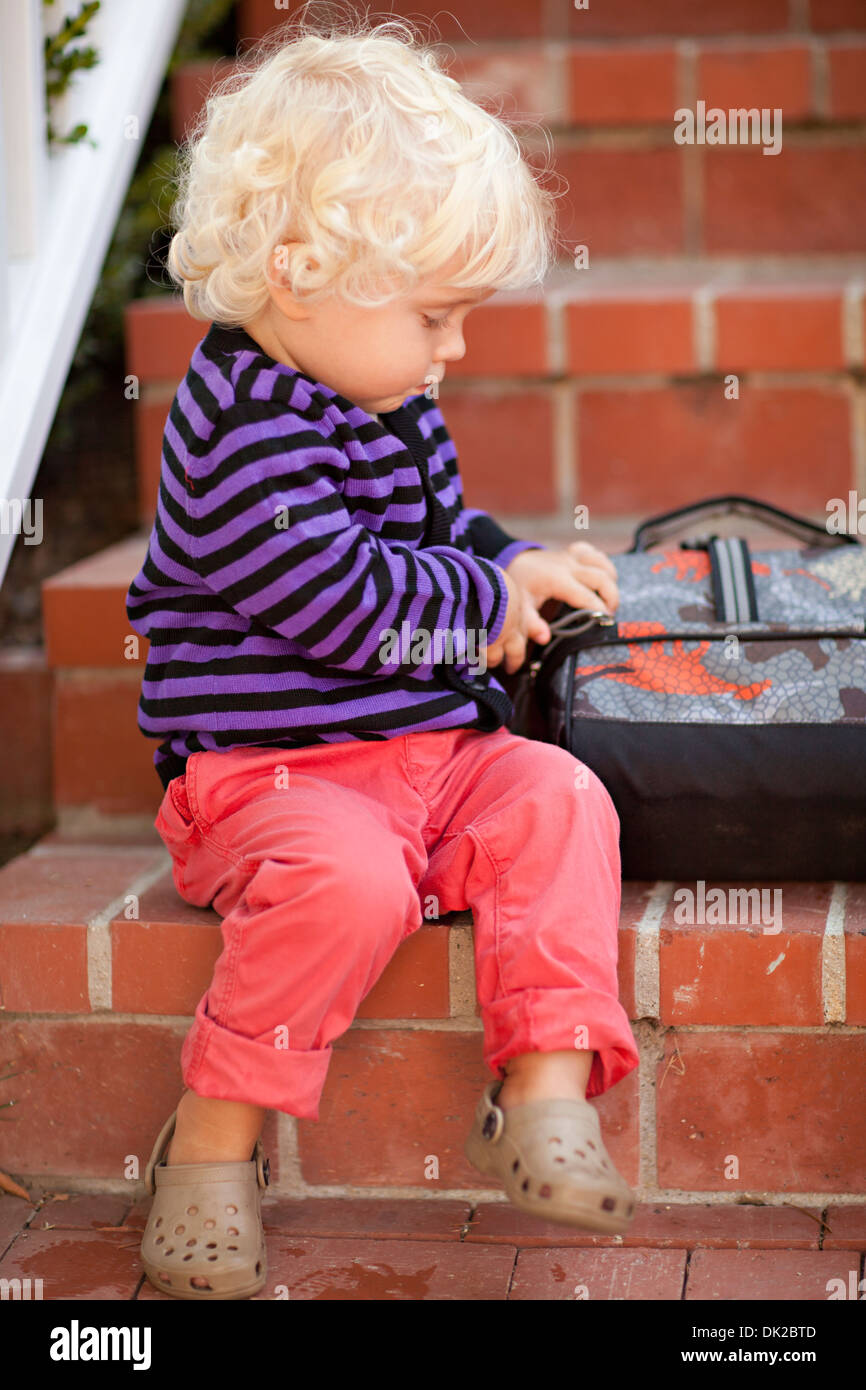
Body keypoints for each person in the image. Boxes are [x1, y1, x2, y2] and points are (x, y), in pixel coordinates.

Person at [126, 12, 639, 1301]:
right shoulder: (239, 421)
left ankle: (543, 1087)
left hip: (431, 759)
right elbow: (334, 594)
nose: (452, 351)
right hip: (269, 784)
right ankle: (211, 1146)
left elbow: (432, 536)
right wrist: (480, 602)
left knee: (562, 796)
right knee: (352, 886)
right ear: (297, 272)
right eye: (434, 315)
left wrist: (506, 560)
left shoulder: (382, 393)